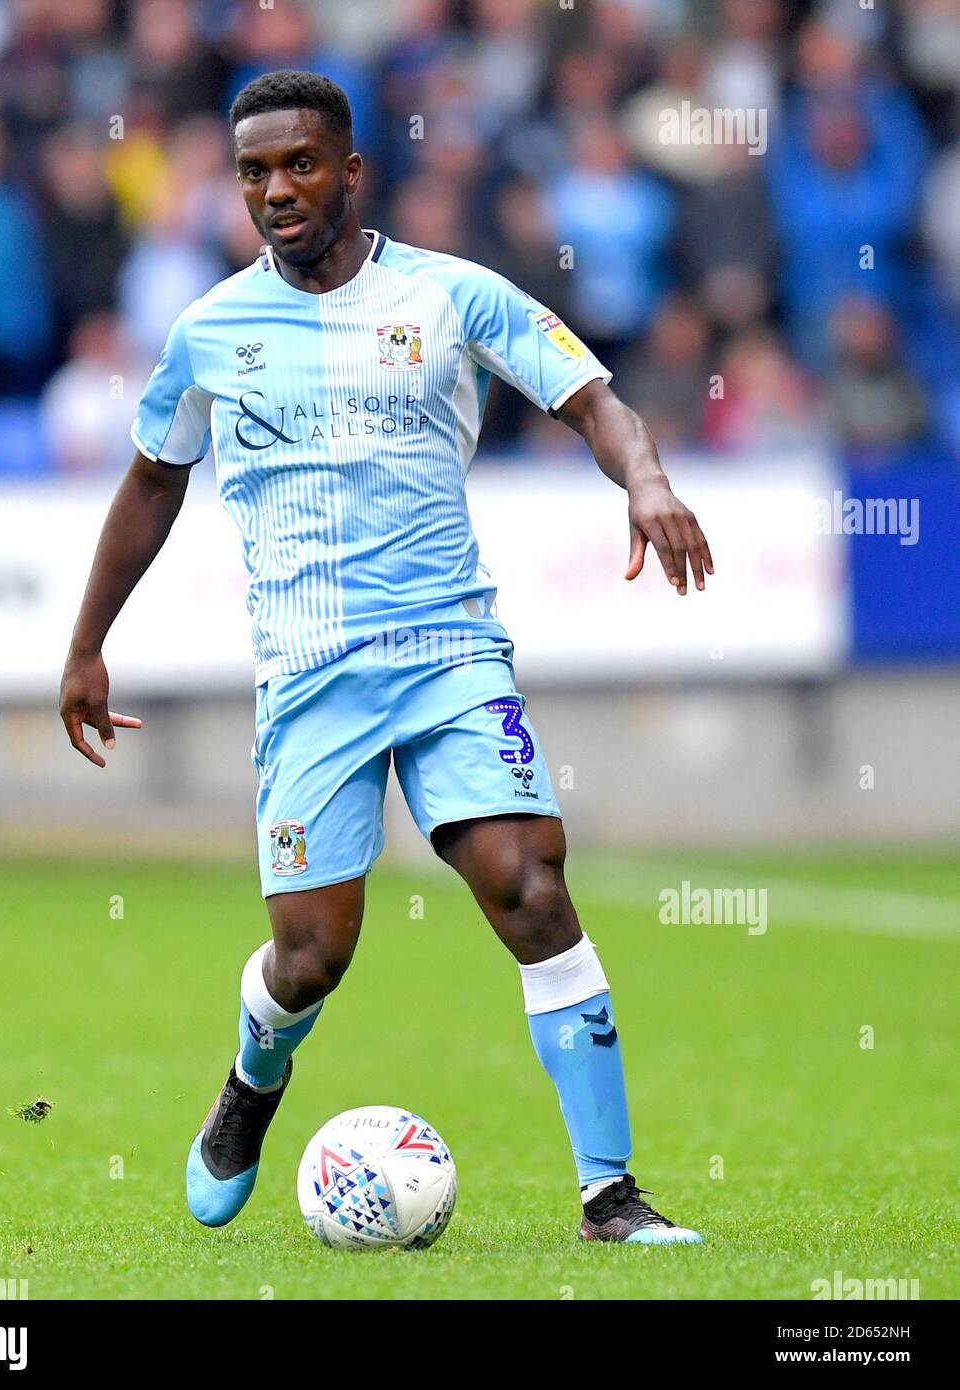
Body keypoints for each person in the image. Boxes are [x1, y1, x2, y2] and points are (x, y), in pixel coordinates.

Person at [59, 71, 713, 1245]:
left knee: (530, 886)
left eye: (299, 164)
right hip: (310, 676)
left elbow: (592, 399)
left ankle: (608, 1196)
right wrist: (87, 644)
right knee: (313, 956)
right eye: (254, 172)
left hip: (450, 649)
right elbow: (154, 479)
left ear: (350, 170)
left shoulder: (450, 292)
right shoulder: (211, 331)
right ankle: (252, 1082)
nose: (276, 190)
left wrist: (649, 479)